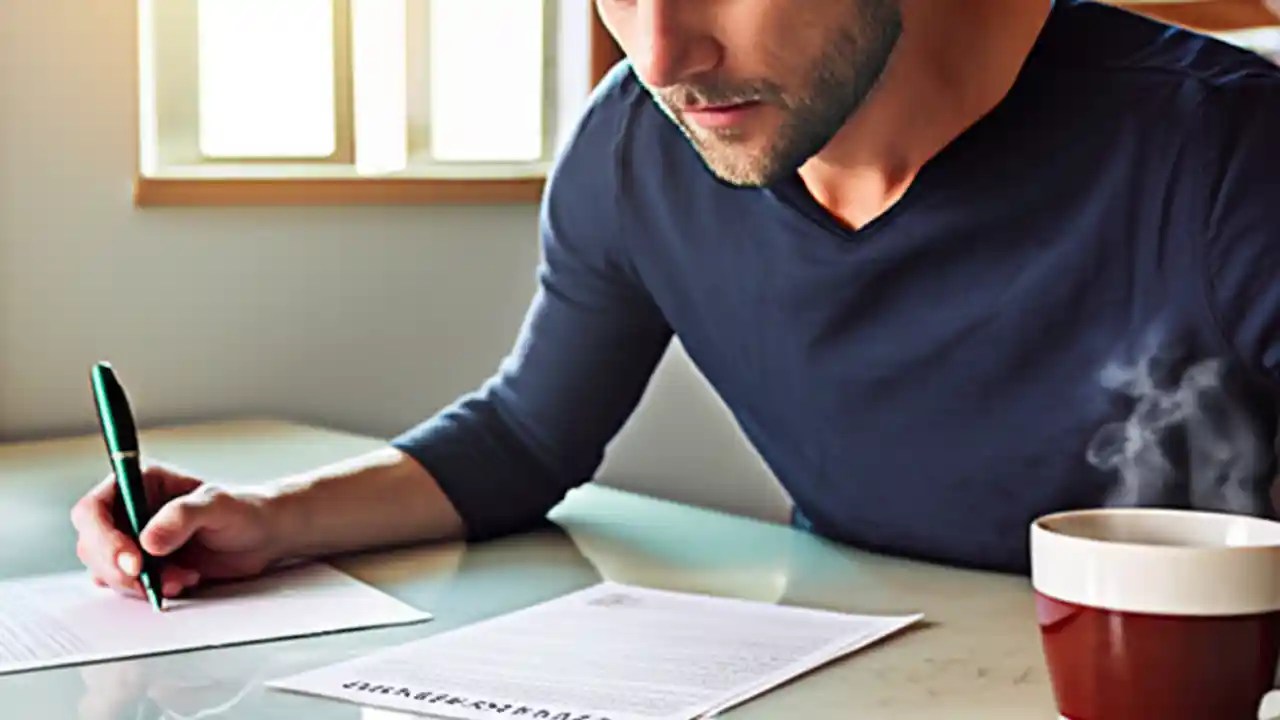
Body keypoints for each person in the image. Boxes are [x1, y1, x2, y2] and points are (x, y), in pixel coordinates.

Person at [72, 0, 1280, 601]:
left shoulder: (1229, 158)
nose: (657, 56)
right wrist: (267, 520)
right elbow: (526, 434)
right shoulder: (635, 152)